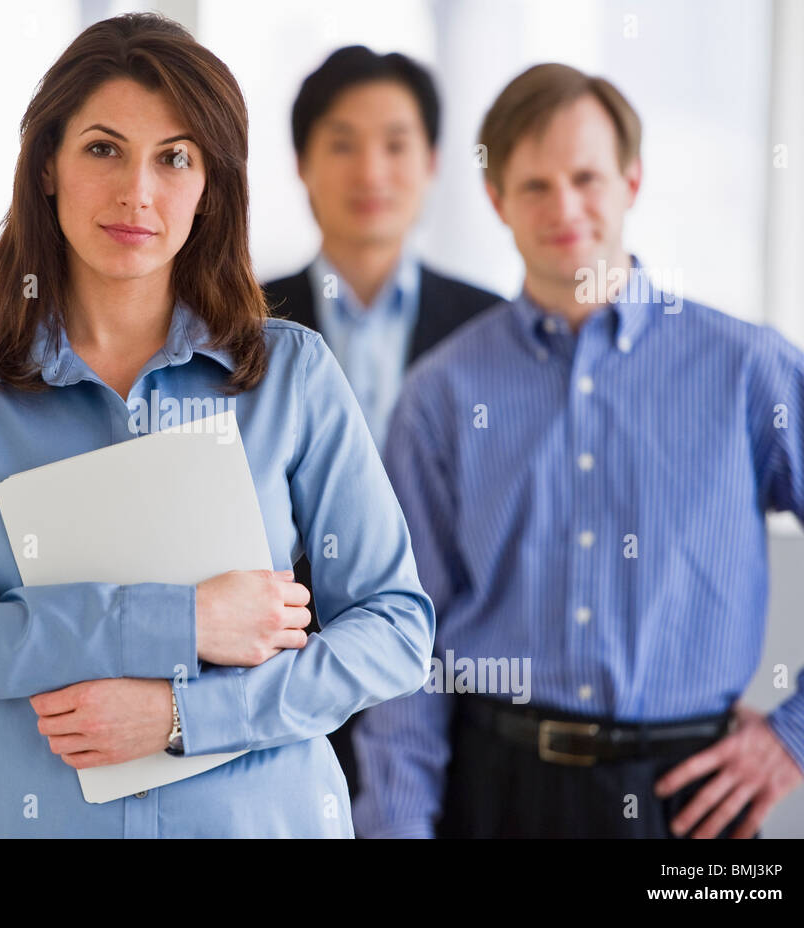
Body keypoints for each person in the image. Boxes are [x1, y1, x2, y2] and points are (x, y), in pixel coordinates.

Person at [0, 12, 435, 838]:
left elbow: (394, 629)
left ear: (210, 186)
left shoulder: (293, 374)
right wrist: (184, 622)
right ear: (48, 170)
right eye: (104, 149)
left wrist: (185, 717)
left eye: (175, 158)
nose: (138, 190)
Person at [352, 62, 804, 838]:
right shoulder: (442, 395)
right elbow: (406, 638)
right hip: (494, 793)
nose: (565, 207)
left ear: (632, 180)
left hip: (693, 803)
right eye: (535, 185)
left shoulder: (747, 370)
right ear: (496, 198)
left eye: (587, 176)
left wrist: (798, 735)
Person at [262, 45, 502, 801]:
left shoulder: (491, 330)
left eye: (396, 144)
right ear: (302, 163)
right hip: (277, 691)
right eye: (341, 144)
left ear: (431, 162)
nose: (371, 172)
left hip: (458, 702)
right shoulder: (239, 325)